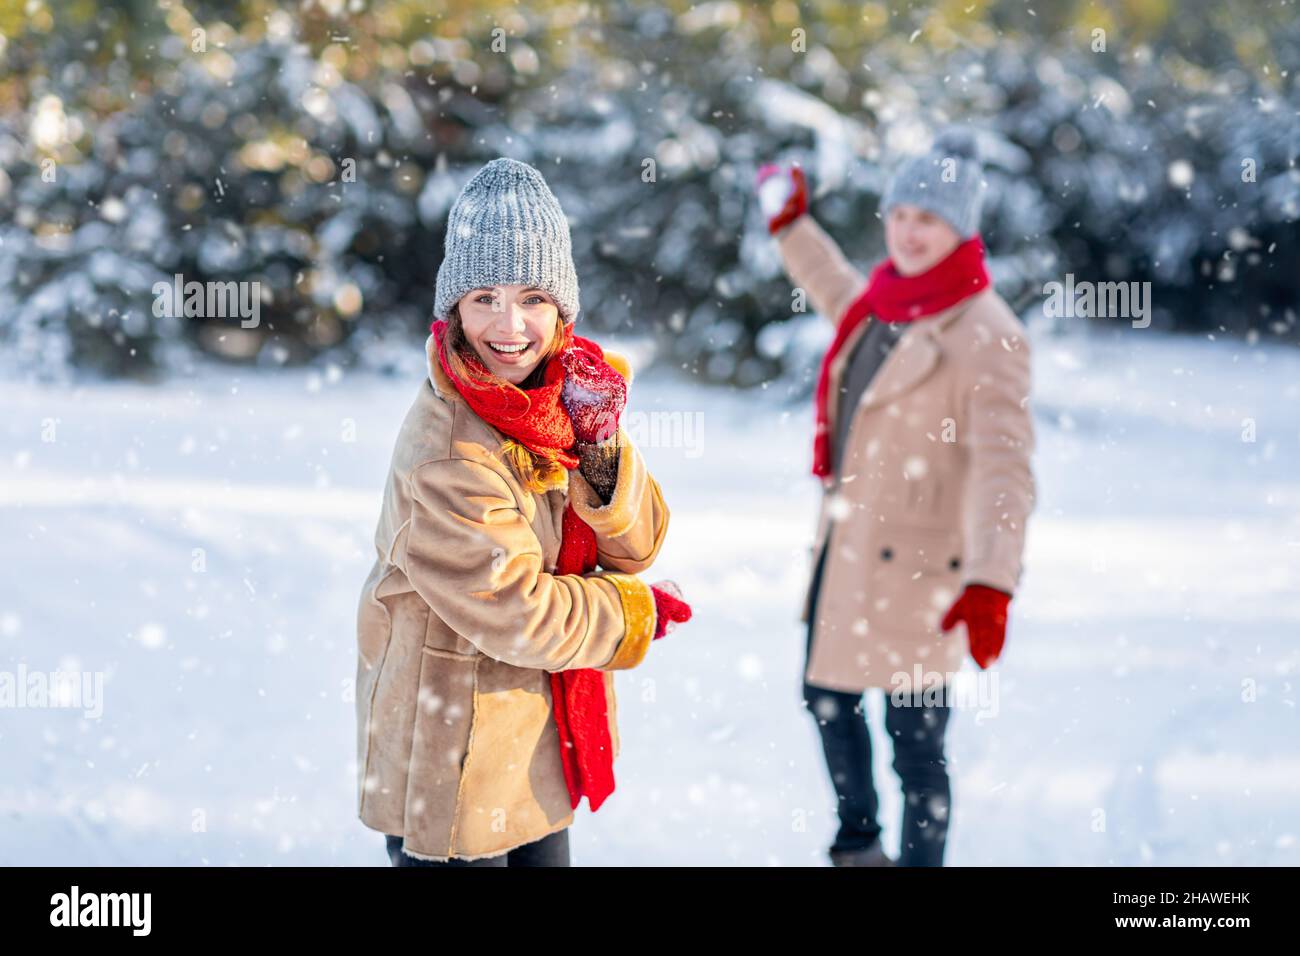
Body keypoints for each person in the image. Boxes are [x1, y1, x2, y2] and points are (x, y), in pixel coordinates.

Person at [355, 157, 691, 866]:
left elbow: (640, 545)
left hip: (531, 742)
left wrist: (599, 449)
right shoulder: (447, 447)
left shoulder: (562, 401)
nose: (510, 327)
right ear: (453, 308)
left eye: (533, 297)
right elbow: (518, 610)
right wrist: (631, 612)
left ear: (561, 307)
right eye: (484, 298)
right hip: (453, 762)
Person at [755, 128, 1036, 866]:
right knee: (826, 701)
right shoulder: (885, 302)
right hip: (847, 553)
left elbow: (1004, 471)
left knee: (916, 751)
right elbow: (834, 286)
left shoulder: (986, 333)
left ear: (961, 229)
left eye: (930, 219)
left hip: (923, 574)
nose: (910, 232)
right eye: (902, 214)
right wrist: (790, 225)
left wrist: (990, 580)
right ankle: (858, 846)